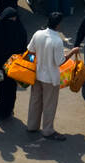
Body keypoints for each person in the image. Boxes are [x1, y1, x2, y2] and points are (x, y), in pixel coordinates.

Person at [26, 12, 69, 140]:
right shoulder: (57, 41)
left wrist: (34, 64)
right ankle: (47, 130)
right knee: (49, 105)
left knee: (35, 101)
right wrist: (71, 52)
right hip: (50, 78)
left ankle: (32, 125)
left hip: (37, 74)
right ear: (59, 25)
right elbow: (60, 61)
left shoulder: (38, 34)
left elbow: (30, 52)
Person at [0, 4, 27, 120]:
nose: (12, 22)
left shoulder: (20, 31)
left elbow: (23, 49)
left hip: (12, 67)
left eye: (14, 19)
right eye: (9, 20)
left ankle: (6, 110)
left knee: (9, 89)